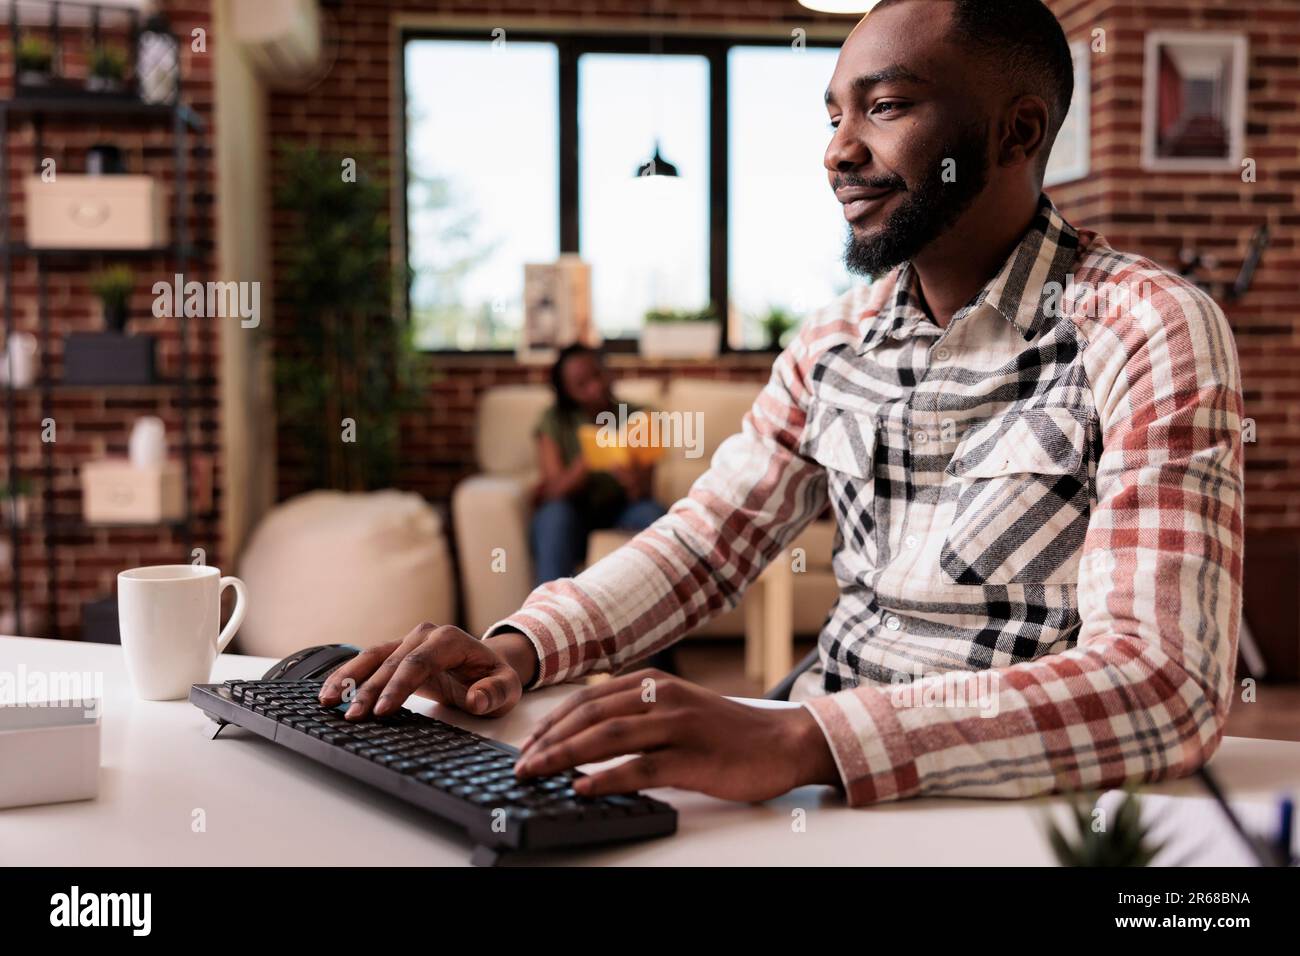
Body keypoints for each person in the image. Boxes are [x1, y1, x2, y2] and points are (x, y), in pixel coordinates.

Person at [321, 0, 1242, 808]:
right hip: (811, 781)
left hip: (1000, 806)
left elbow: (1164, 685)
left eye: (885, 107)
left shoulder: (1148, 328)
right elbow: (705, 542)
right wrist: (520, 649)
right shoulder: (830, 342)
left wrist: (805, 740)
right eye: (835, 115)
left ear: (1017, 130)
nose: (840, 151)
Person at [528, 343, 667, 587]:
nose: (596, 386)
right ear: (567, 392)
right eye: (582, 384)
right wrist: (590, 458)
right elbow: (553, 491)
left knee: (654, 514)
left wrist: (632, 481)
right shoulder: (554, 420)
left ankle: (664, 609)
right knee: (554, 516)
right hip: (573, 512)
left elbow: (646, 490)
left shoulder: (638, 416)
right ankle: (548, 615)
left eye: (598, 374)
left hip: (621, 509)